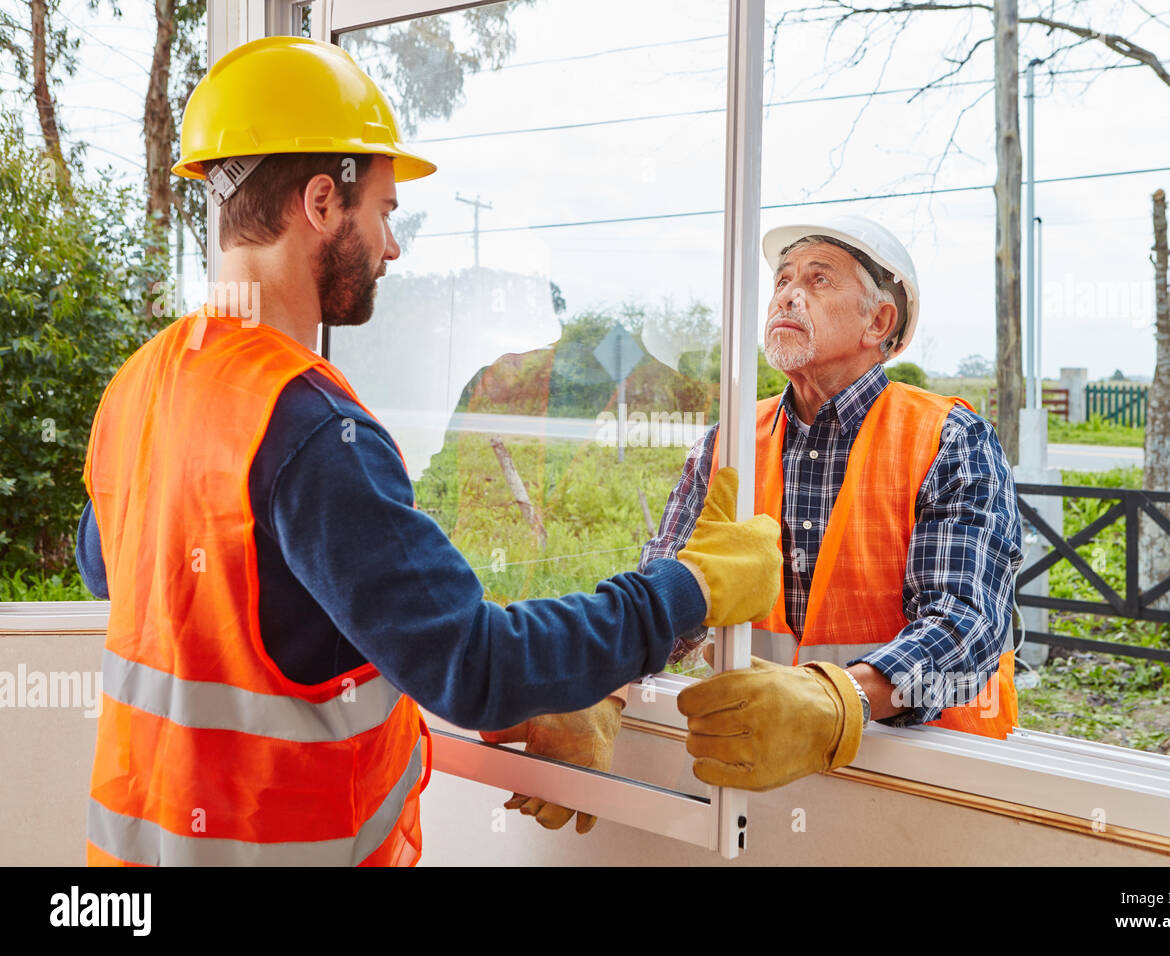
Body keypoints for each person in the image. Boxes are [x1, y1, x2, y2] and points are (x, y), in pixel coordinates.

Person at [74, 36, 781, 866]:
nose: (393, 247)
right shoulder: (307, 425)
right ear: (320, 203)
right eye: (384, 212)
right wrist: (687, 590)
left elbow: (122, 572)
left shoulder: (144, 382)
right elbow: (473, 663)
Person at [485, 215, 1023, 826]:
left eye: (820, 280)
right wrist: (602, 687)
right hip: (757, 781)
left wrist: (838, 700)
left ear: (879, 323)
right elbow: (671, 591)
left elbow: (967, 625)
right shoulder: (731, 442)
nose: (789, 293)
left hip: (927, 787)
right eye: (782, 280)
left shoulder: (950, 440)